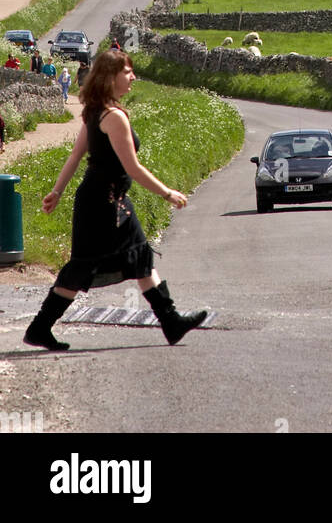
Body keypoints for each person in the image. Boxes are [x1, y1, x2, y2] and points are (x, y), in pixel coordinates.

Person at [24, 47, 207, 352]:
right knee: (83, 265)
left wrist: (57, 191)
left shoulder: (96, 110)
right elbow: (132, 168)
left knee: (140, 254)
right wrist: (167, 193)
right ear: (111, 77)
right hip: (103, 205)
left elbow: (75, 155)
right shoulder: (113, 116)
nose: (133, 76)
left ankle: (171, 321)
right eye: (127, 72)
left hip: (107, 200)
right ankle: (40, 328)